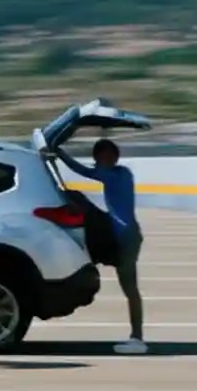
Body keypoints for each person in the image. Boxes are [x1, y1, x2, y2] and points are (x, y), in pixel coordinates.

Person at [54, 137, 147, 354]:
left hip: (125, 238)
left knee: (130, 289)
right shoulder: (124, 173)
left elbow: (80, 170)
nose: (97, 162)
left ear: (109, 157)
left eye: (99, 158)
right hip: (129, 235)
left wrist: (59, 153)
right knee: (131, 290)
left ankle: (137, 338)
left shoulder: (111, 175)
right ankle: (137, 336)